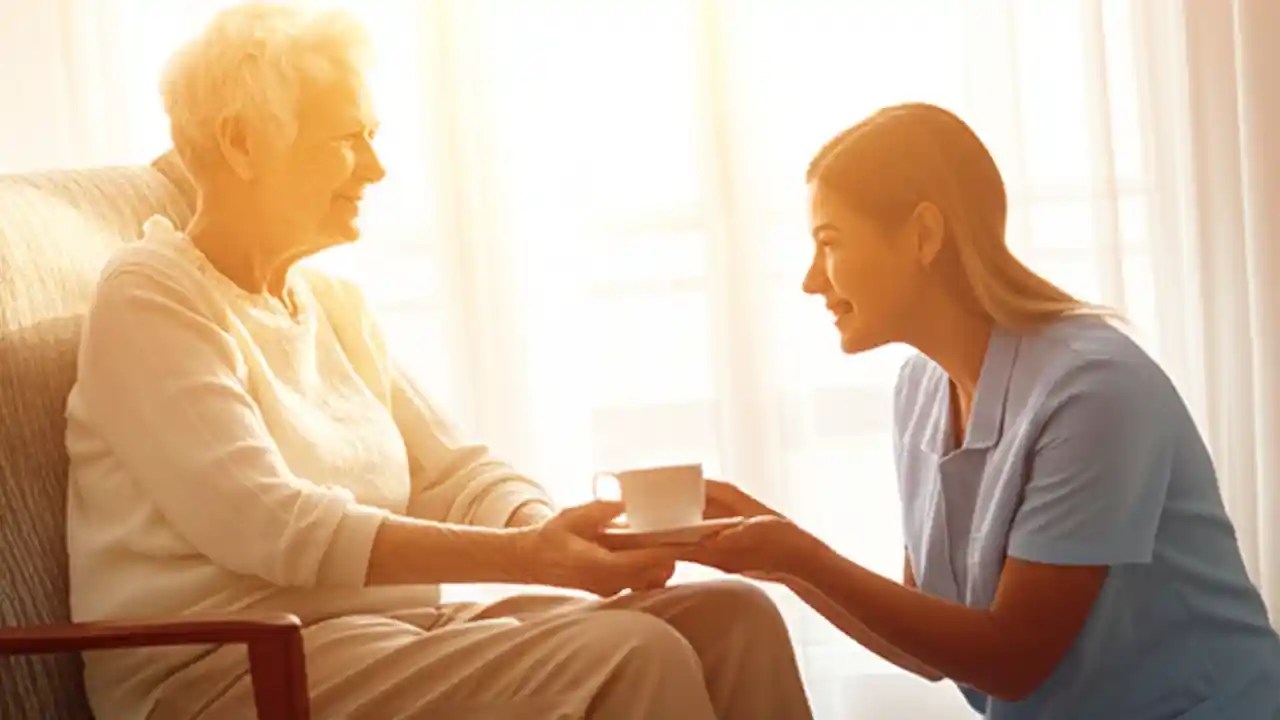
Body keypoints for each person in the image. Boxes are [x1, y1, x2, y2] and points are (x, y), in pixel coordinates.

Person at [63, 4, 812, 718]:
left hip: (379, 639)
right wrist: (533, 559)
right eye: (347, 138)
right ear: (242, 142)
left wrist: (563, 534)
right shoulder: (150, 296)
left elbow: (455, 474)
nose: (376, 168)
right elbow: (268, 524)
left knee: (732, 618)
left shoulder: (332, 305)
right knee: (630, 654)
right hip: (228, 670)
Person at [680, 103, 1280, 718]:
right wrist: (770, 546)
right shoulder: (920, 392)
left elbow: (1013, 661)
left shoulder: (1094, 389)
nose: (811, 280)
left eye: (829, 242)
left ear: (924, 236)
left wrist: (798, 556)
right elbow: (929, 652)